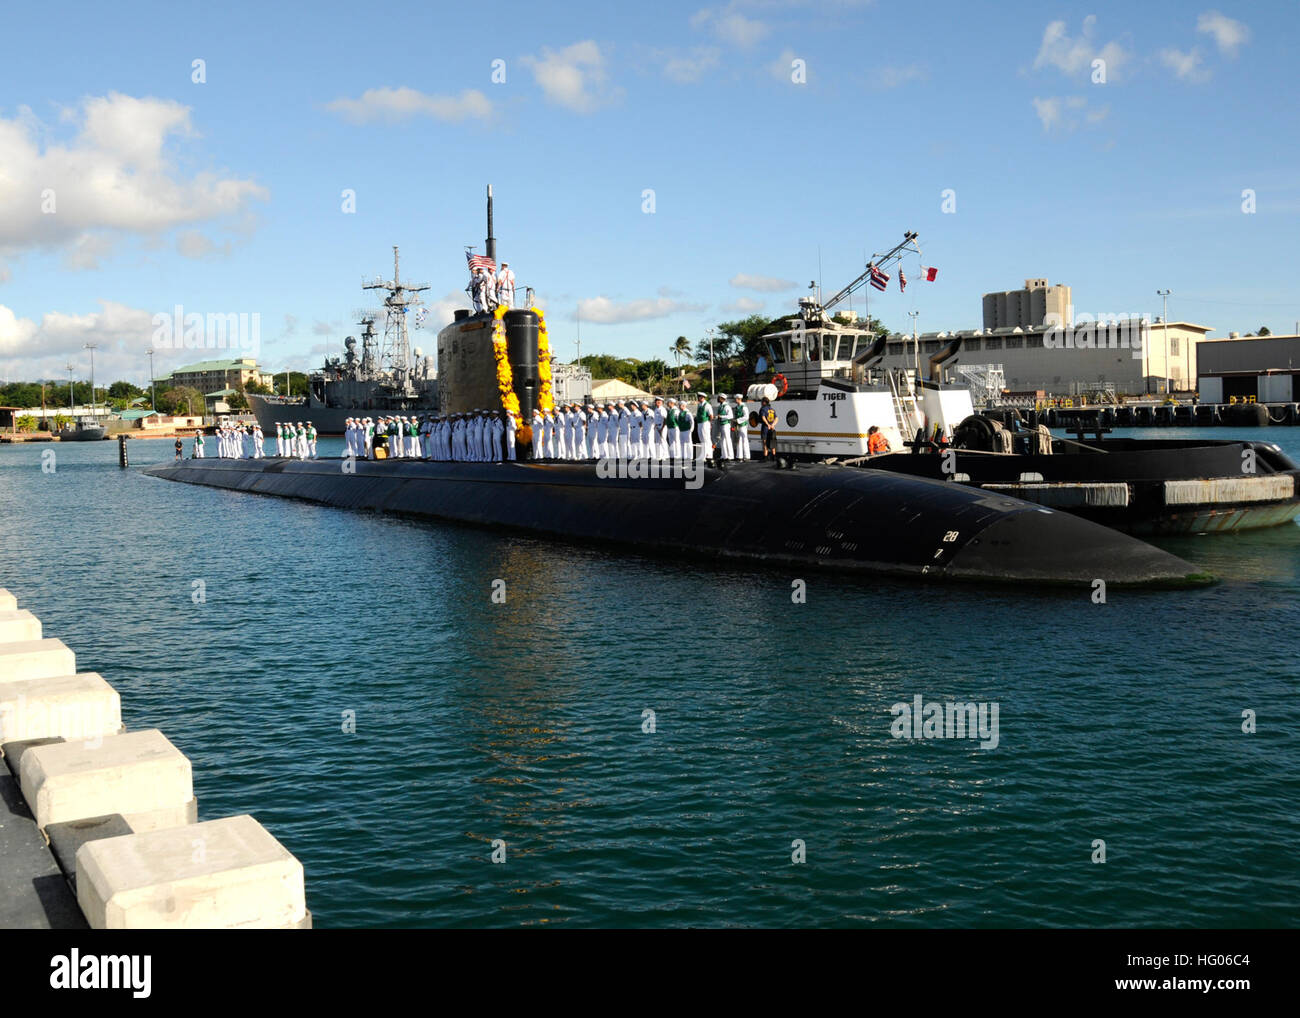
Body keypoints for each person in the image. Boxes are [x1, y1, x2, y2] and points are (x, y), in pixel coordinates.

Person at [695, 393, 713, 463]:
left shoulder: (707, 405)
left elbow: (711, 415)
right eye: (699, 397)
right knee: (701, 439)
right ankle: (703, 455)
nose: (699, 398)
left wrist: (710, 423)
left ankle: (708, 455)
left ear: (703, 397)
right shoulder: (699, 405)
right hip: (700, 423)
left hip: (705, 423)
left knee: (706, 439)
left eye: (700, 397)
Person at [759, 396, 778, 461]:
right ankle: (774, 456)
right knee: (772, 441)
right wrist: (773, 425)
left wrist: (767, 424)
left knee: (764, 442)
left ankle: (765, 456)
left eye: (762, 402)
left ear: (764, 402)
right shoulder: (772, 409)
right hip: (772, 428)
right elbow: (776, 418)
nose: (761, 403)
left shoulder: (763, 409)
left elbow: (763, 417)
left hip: (765, 427)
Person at [733, 394, 750, 461]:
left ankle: (747, 456)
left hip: (743, 425)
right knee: (738, 441)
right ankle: (739, 456)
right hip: (738, 425)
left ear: (739, 399)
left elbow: (746, 416)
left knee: (744, 440)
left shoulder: (744, 407)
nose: (735, 400)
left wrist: (737, 420)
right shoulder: (737, 407)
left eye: (736, 399)